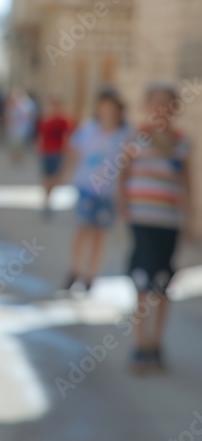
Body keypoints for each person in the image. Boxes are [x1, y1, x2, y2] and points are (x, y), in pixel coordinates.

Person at [117, 82, 194, 374]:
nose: (161, 108)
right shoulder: (137, 138)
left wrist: (191, 218)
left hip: (168, 221)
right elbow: (122, 175)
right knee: (141, 281)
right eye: (156, 102)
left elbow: (187, 182)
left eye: (167, 102)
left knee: (162, 283)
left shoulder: (180, 142)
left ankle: (154, 343)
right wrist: (122, 206)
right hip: (141, 219)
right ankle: (138, 344)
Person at [57, 86, 131, 291]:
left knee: (99, 234)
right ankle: (75, 270)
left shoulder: (125, 133)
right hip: (86, 187)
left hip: (108, 192)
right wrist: (64, 175)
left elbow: (128, 164)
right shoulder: (88, 129)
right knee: (82, 229)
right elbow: (74, 152)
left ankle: (91, 275)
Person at [36, 95, 74, 219]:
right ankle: (47, 201)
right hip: (46, 152)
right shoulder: (45, 120)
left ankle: (48, 200)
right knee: (47, 178)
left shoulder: (64, 121)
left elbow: (66, 138)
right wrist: (38, 146)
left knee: (54, 179)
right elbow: (41, 135)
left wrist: (67, 153)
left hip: (57, 153)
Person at [7, 89, 38, 165]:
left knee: (19, 145)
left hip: (22, 128)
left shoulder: (26, 104)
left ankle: (18, 158)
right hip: (14, 128)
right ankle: (15, 158)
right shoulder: (13, 105)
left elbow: (30, 116)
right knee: (14, 144)